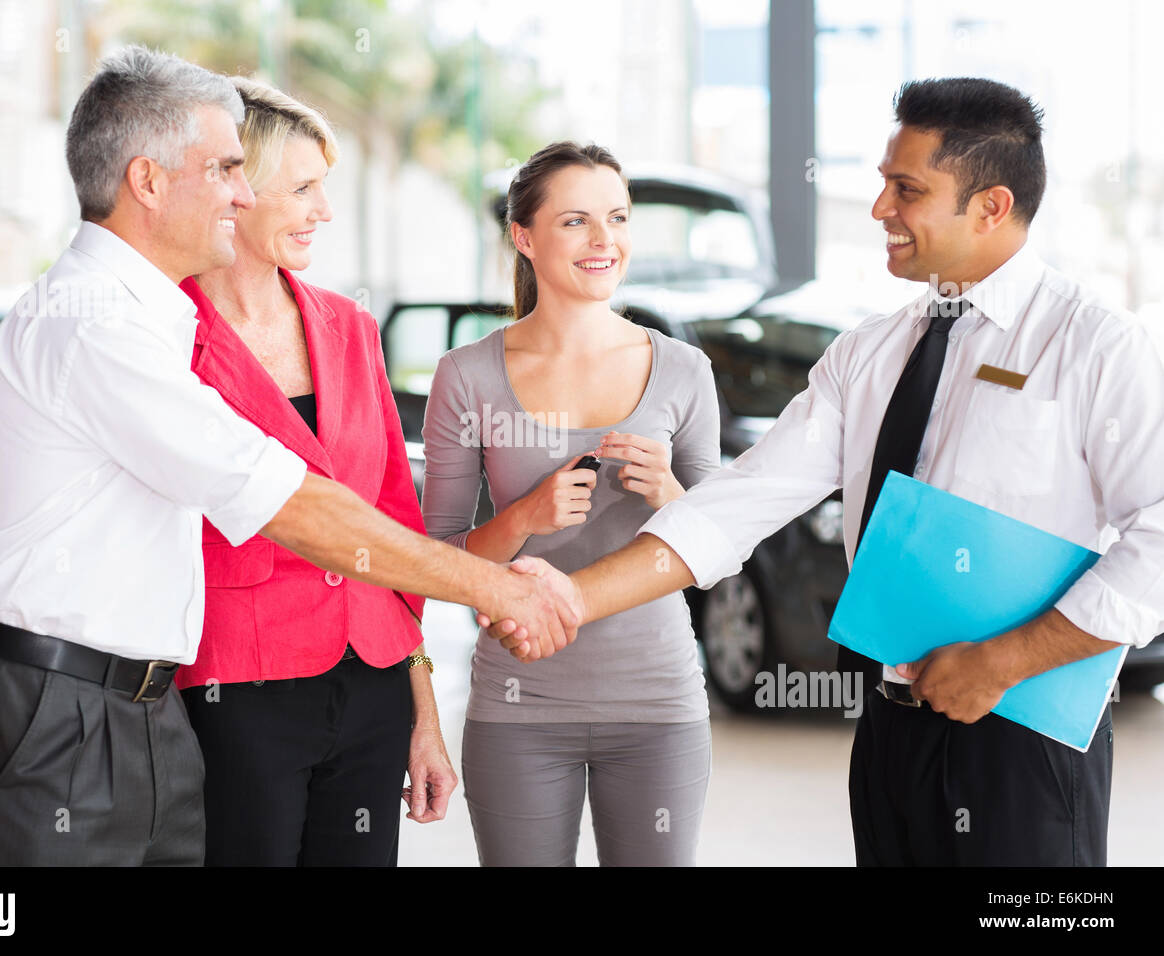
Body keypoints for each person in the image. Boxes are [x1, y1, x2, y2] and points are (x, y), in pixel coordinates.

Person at [0, 46, 575, 867]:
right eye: (227, 167)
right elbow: (291, 503)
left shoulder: (149, 317)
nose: (241, 190)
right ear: (150, 182)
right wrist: (498, 587)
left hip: (141, 708)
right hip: (58, 705)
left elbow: (362, 507)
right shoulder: (95, 324)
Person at [483, 78, 1164, 866]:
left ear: (991, 206)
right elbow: (740, 503)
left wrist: (1002, 663)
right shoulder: (870, 352)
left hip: (1024, 733)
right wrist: (568, 596)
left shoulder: (1094, 347)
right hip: (888, 728)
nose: (880, 209)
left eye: (905, 189)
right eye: (882, 183)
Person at [174, 77, 455, 867]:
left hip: (370, 682)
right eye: (302, 188)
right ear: (235, 188)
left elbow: (394, 523)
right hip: (237, 687)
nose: (323, 211)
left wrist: (422, 711)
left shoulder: (351, 326)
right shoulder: (164, 335)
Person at [422, 141, 722, 866]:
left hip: (657, 705)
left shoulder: (683, 369)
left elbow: (718, 552)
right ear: (523, 237)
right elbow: (435, 563)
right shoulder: (466, 376)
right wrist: (524, 517)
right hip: (518, 708)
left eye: (617, 218)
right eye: (576, 221)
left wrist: (673, 497)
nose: (604, 240)